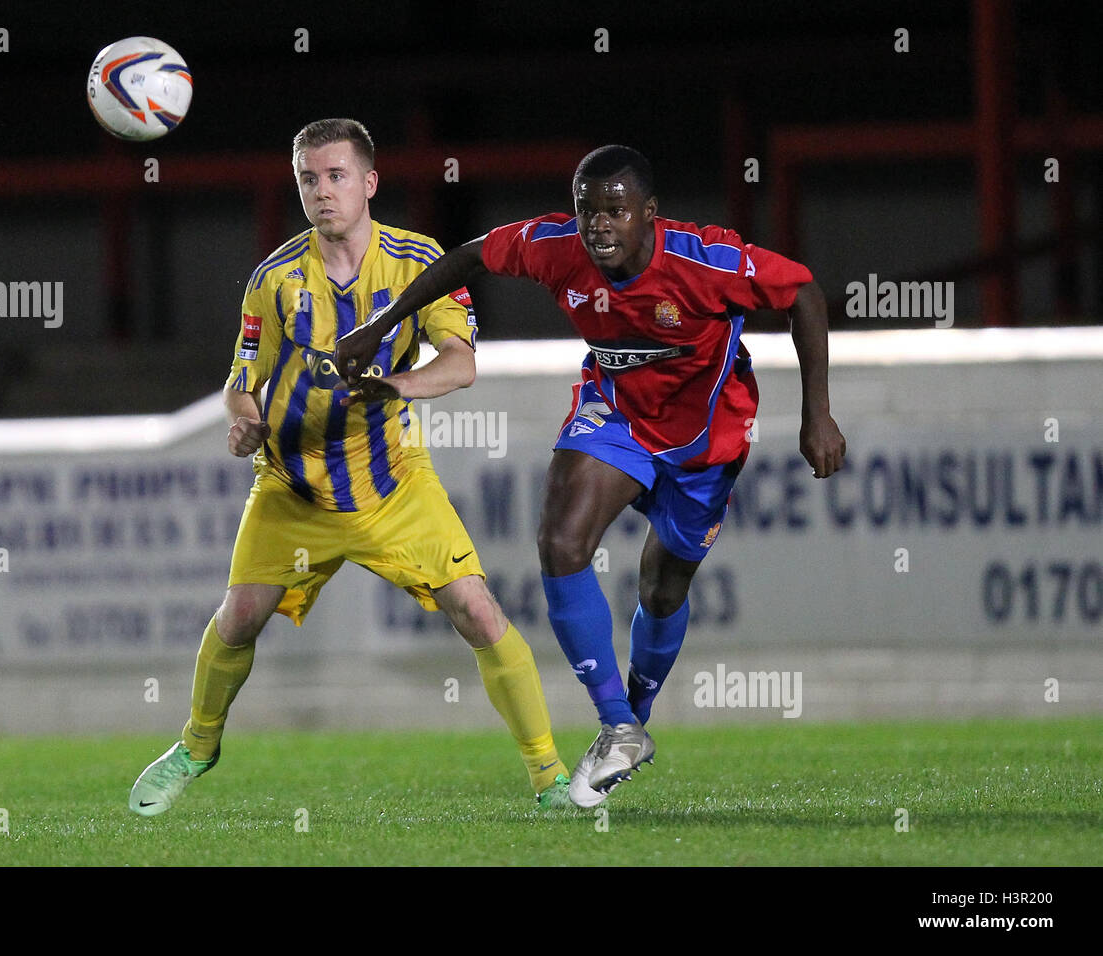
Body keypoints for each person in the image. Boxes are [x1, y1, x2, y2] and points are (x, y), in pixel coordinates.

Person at [335, 144, 846, 807]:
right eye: (587, 211)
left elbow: (802, 291)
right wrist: (381, 324)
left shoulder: (702, 259)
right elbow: (468, 255)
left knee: (662, 589)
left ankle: (635, 714)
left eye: (616, 211)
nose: (599, 226)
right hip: (618, 417)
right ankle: (616, 723)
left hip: (706, 438)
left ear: (649, 215)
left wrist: (818, 416)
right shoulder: (557, 248)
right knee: (561, 542)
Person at [130, 118, 572, 815]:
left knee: (478, 610)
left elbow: (460, 365)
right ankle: (196, 745)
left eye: (336, 176)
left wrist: (396, 387)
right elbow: (242, 377)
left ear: (369, 182)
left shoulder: (417, 262)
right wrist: (242, 418)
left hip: (392, 481)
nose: (321, 191)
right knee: (239, 617)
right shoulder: (274, 279)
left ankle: (550, 778)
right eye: (308, 178)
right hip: (292, 484)